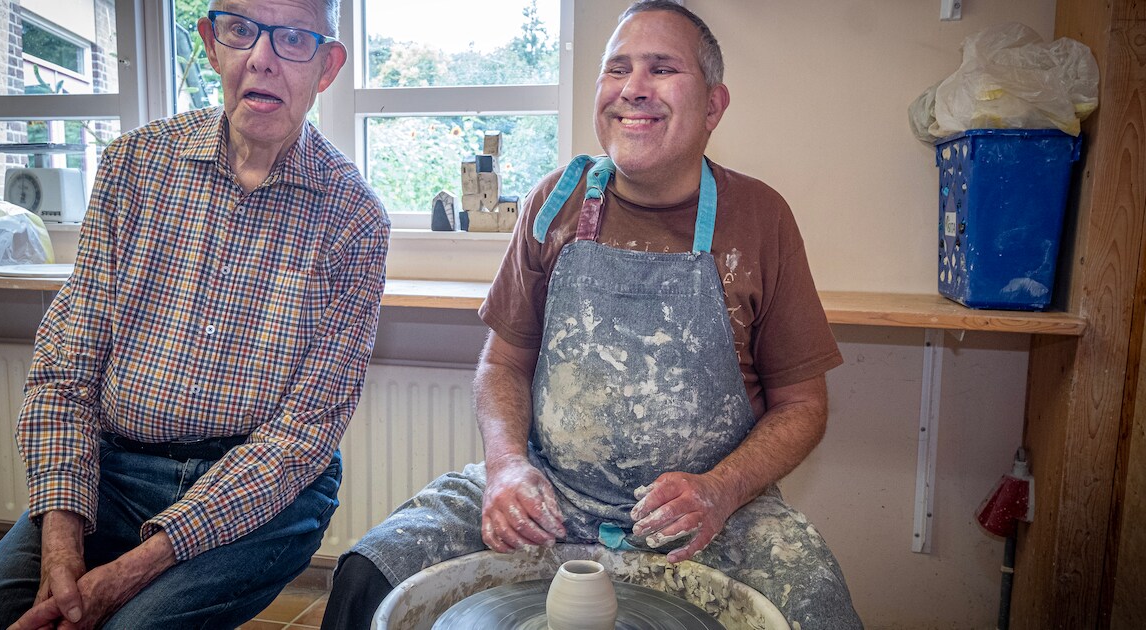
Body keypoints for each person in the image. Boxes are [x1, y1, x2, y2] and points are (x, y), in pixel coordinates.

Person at [322, 1, 862, 628]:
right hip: (552, 496)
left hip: (711, 516)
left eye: (661, 69)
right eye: (617, 70)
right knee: (369, 574)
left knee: (820, 609)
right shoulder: (554, 202)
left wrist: (720, 491)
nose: (633, 89)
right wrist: (506, 466)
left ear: (714, 105)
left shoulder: (761, 217)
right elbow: (502, 362)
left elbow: (803, 405)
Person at [0, 1, 388, 627]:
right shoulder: (133, 167)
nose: (261, 58)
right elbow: (64, 370)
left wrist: (125, 574)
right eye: (241, 31)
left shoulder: (354, 219)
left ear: (328, 67)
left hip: (265, 498)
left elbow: (300, 437)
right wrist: (62, 544)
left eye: (292, 38)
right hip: (114, 472)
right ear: (212, 44)